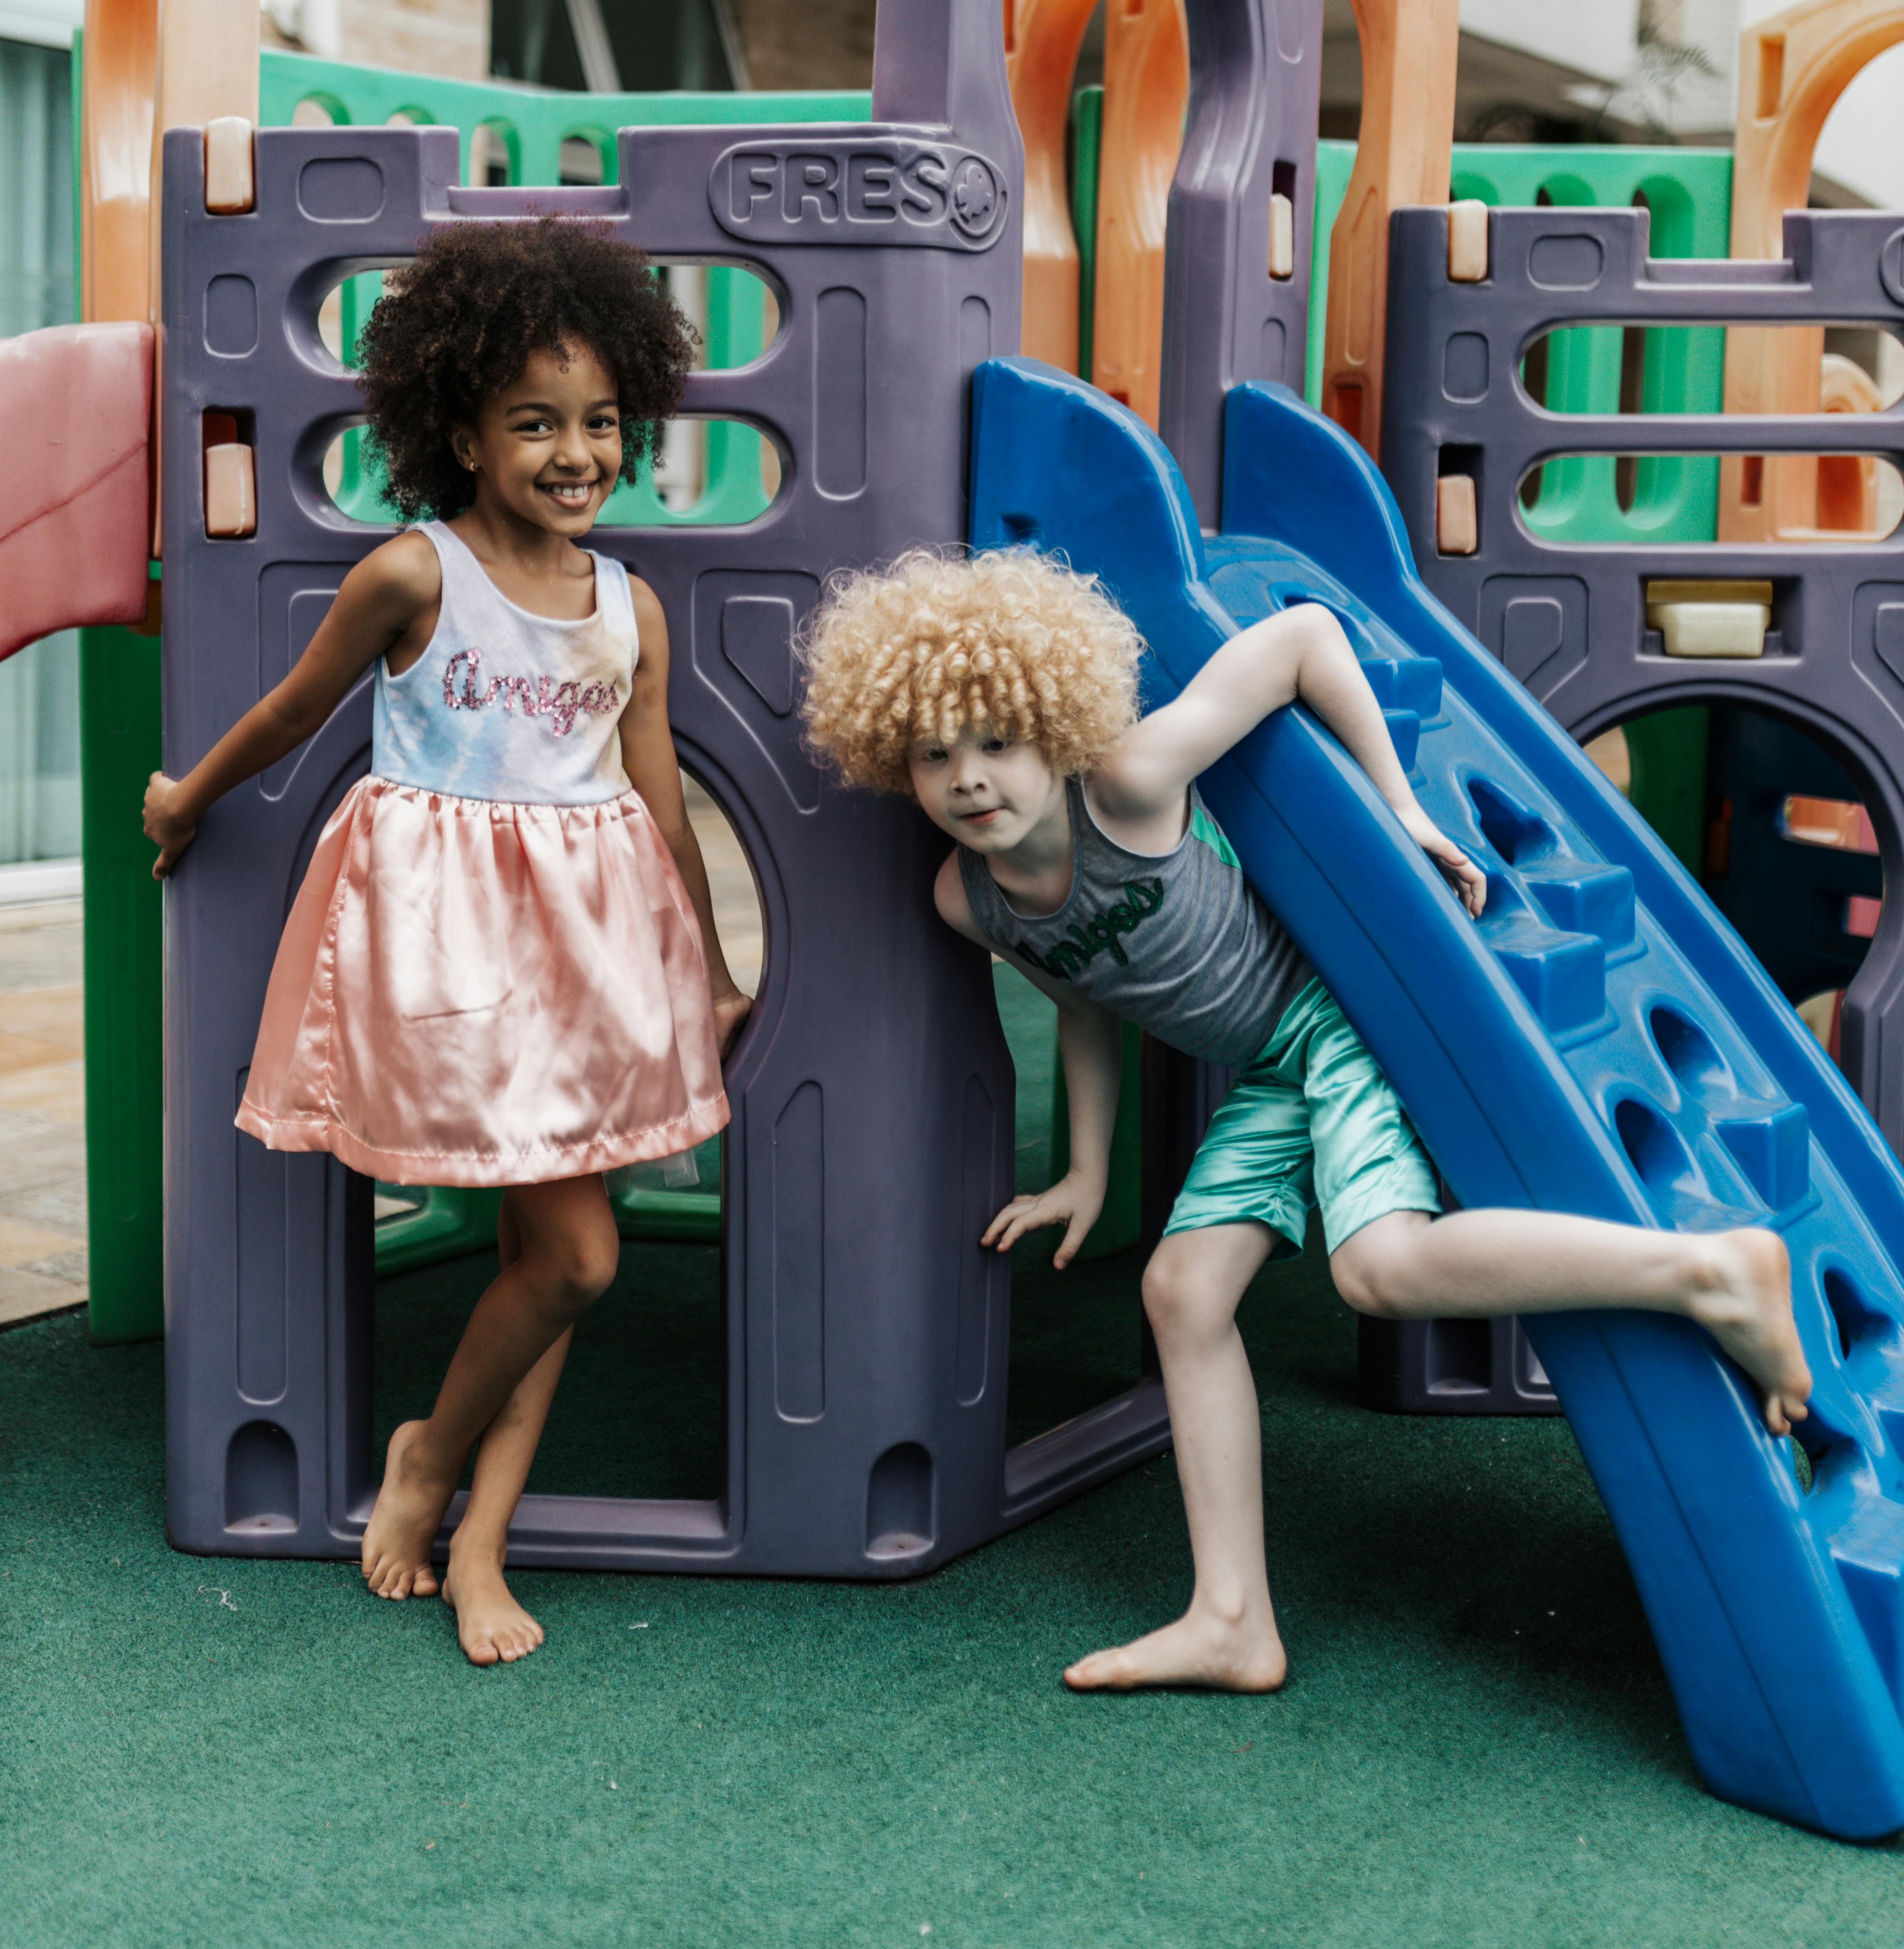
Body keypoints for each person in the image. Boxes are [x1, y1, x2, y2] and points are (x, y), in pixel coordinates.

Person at [799, 546, 1811, 1697]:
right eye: (934, 755)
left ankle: (1707, 1270)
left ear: (1056, 725)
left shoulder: (1127, 787)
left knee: (1380, 1271)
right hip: (1273, 1073)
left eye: (997, 743)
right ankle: (1232, 1619)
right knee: (1181, 1293)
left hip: (1342, 1021)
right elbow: (1083, 1001)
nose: (969, 779)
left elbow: (1305, 642)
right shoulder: (966, 896)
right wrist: (1086, 1167)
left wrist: (1402, 812)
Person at [144, 220, 751, 1667]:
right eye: (533, 422)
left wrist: (710, 963)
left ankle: (471, 1523)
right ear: (461, 434)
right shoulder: (416, 574)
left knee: (565, 1252)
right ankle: (431, 1468)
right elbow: (297, 713)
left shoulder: (630, 607)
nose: (574, 451)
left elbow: (658, 799)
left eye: (600, 421)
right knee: (572, 1258)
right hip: (459, 947)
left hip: (592, 950)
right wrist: (191, 795)